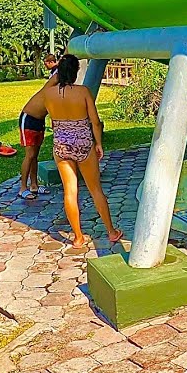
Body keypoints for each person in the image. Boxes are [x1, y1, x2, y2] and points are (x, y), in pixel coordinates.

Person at [41, 54, 123, 249]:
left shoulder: (48, 94)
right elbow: (94, 121)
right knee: (95, 189)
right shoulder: (83, 92)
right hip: (83, 144)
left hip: (61, 145)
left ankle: (77, 237)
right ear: (77, 71)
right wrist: (99, 143)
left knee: (70, 190)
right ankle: (111, 232)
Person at [17, 54, 60, 199]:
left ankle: (34, 185)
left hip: (39, 120)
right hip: (28, 119)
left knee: (35, 155)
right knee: (29, 155)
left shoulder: (60, 84)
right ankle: (23, 188)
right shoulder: (55, 78)